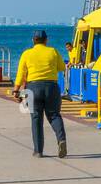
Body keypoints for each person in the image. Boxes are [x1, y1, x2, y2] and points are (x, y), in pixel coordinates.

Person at [11, 30, 68, 158]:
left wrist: (16, 90)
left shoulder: (27, 54)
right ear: (46, 40)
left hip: (32, 88)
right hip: (51, 87)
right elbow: (62, 68)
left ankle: (38, 151)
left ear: (33, 40)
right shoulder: (53, 51)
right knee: (54, 115)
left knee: (36, 119)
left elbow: (20, 74)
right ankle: (61, 139)